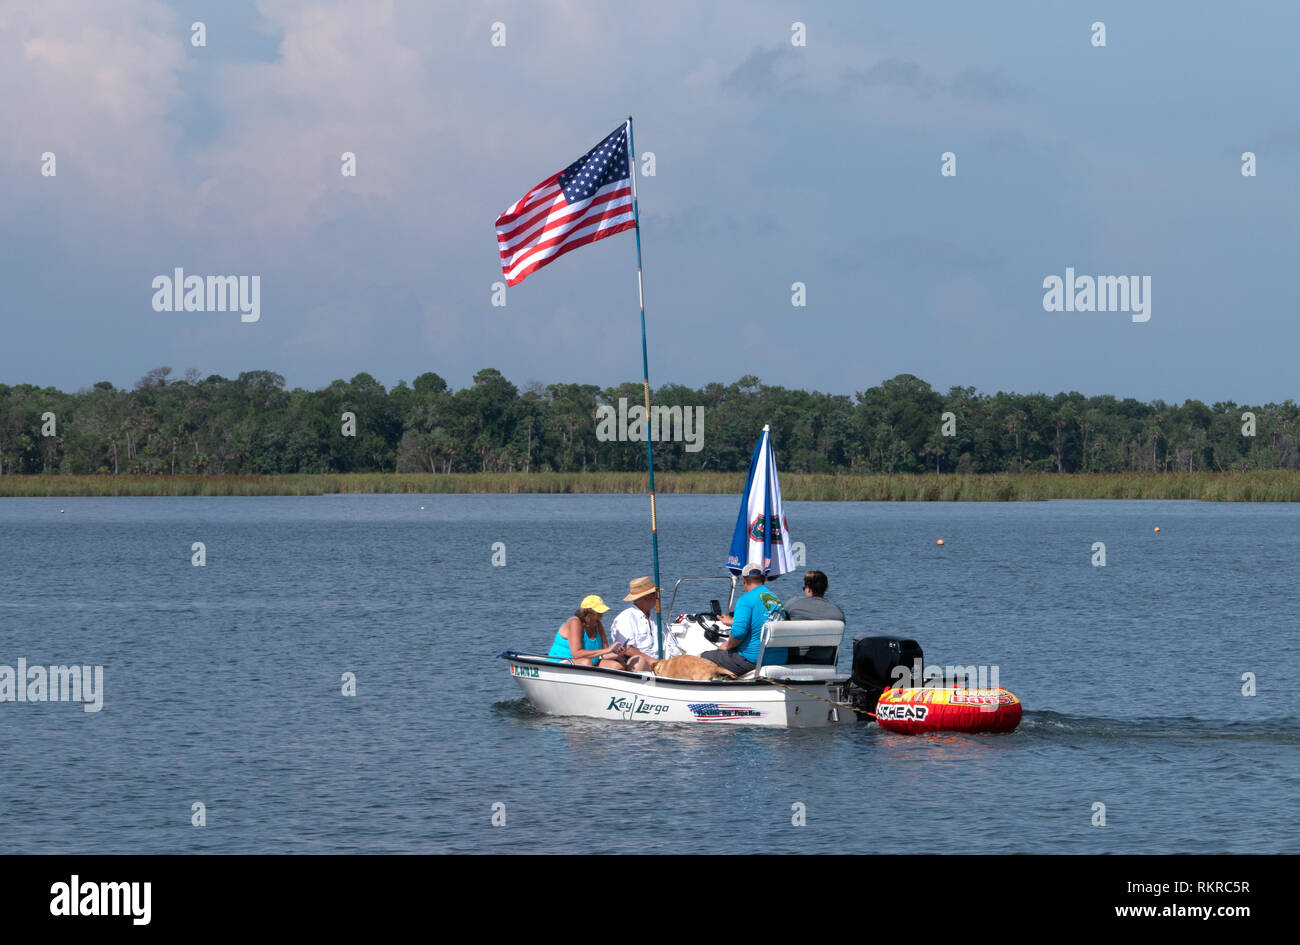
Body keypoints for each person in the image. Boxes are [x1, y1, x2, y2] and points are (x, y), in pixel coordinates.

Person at [701, 564, 784, 675]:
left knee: (702, 657)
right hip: (778, 659)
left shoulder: (745, 599)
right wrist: (733, 621)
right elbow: (763, 620)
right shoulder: (775, 599)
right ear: (763, 579)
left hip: (753, 660)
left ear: (744, 580)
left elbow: (738, 633)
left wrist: (726, 646)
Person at [609, 577, 675, 672]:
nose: (658, 597)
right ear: (645, 597)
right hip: (641, 663)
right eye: (655, 594)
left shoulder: (655, 616)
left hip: (661, 661)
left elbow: (667, 642)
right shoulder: (626, 618)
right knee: (639, 662)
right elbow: (627, 649)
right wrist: (653, 661)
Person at [547, 595, 628, 669]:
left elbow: (604, 654)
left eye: (601, 612)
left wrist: (617, 654)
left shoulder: (598, 624)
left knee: (618, 665)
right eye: (598, 613)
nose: (601, 616)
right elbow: (576, 654)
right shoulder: (575, 623)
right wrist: (606, 651)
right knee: (586, 662)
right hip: (561, 662)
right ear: (588, 613)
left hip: (588, 663)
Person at [783, 569, 844, 665]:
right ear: (825, 588)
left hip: (794, 661)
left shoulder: (792, 605)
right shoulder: (837, 613)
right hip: (825, 662)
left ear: (808, 588)